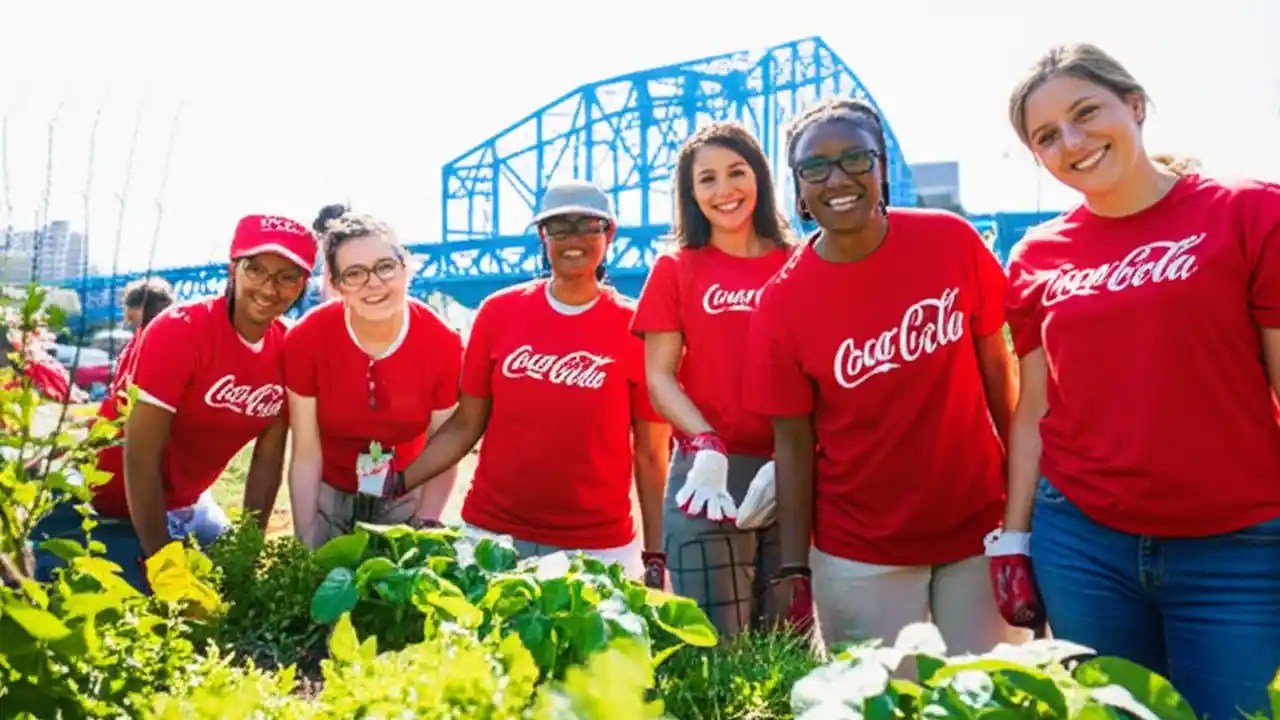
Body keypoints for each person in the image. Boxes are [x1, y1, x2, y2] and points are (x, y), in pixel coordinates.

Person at [995, 42, 1280, 719]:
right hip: (1085, 544)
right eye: (1046, 136)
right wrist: (1013, 538)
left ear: (1135, 105)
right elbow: (1034, 404)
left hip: (1238, 546)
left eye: (1085, 112)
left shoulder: (1249, 213)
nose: (1072, 141)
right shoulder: (1036, 255)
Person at [743, 97, 1026, 656]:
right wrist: (795, 568)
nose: (837, 178)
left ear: (882, 169)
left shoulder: (951, 242)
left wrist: (1023, 512)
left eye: (855, 158)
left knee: (993, 697)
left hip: (979, 529)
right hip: (859, 551)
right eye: (815, 168)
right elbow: (793, 443)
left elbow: (1001, 375)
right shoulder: (782, 301)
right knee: (884, 704)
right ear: (798, 190)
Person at [368, 180, 671, 582]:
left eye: (587, 226)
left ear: (609, 233)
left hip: (599, 545)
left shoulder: (636, 328)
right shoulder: (498, 313)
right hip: (491, 534)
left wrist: (655, 555)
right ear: (543, 237)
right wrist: (395, 482)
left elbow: (651, 454)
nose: (573, 239)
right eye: (558, 228)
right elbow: (465, 424)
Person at [31, 214, 317, 590]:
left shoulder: (289, 347)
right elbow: (139, 454)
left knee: (223, 583)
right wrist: (162, 561)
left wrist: (248, 548)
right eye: (256, 269)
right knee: (128, 596)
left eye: (287, 276)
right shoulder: (182, 329)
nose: (269, 286)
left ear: (303, 284)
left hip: (185, 506)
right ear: (233, 269)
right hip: (98, 502)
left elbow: (268, 459)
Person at [630, 121, 795, 636]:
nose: (724, 191)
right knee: (716, 646)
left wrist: (797, 457)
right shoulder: (675, 267)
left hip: (791, 470)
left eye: (736, 172)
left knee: (785, 647)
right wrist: (706, 441)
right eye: (706, 179)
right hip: (707, 477)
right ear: (690, 193)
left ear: (761, 177)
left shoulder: (798, 263)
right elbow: (658, 375)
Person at [283, 206, 463, 548]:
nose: (374, 283)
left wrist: (427, 526)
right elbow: (305, 451)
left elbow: (443, 446)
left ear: (406, 266)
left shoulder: (443, 342)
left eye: (385, 267)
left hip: (406, 487)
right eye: (354, 273)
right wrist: (305, 539)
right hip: (329, 488)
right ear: (335, 285)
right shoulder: (306, 339)